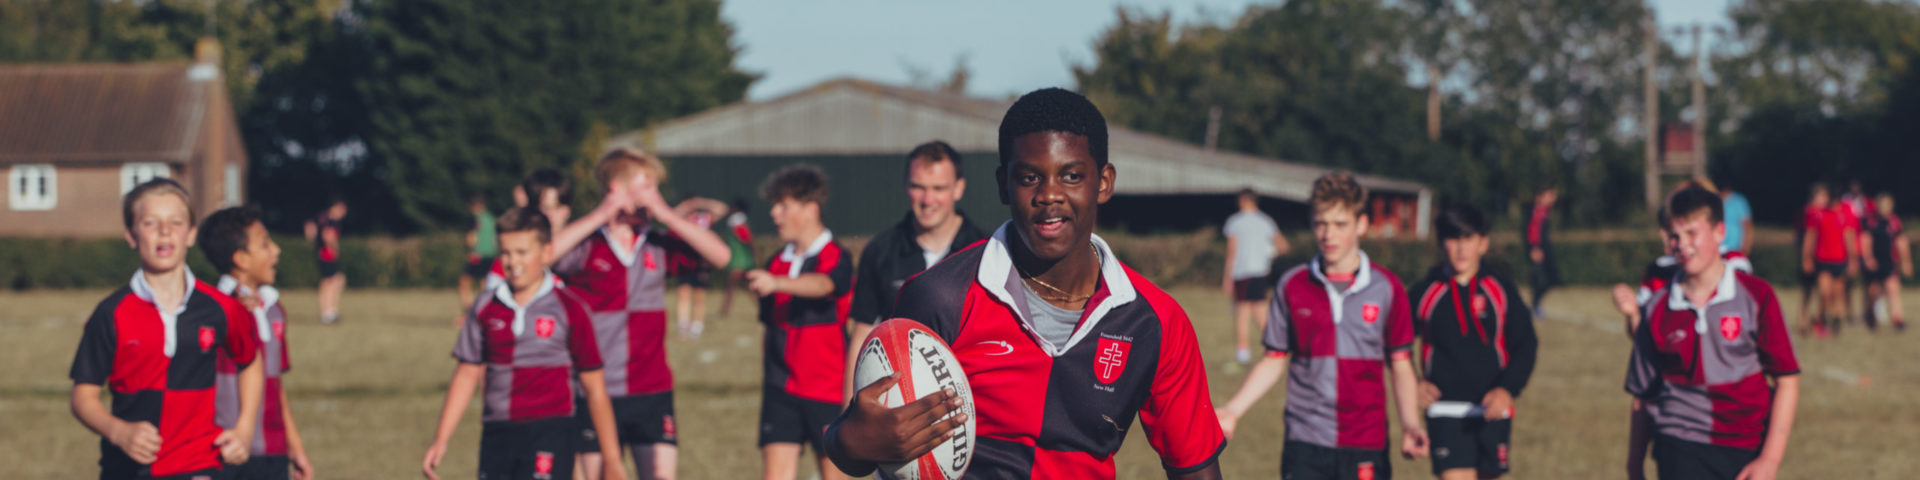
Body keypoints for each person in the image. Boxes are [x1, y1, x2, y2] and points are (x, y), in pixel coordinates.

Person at [824, 87, 1226, 479]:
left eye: (1071, 175)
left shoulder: (1155, 321)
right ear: (1003, 185)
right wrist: (855, 443)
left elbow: (1195, 467)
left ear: (1103, 182)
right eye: (1030, 178)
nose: (1050, 195)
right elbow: (858, 444)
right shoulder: (941, 296)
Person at [1215, 171, 1427, 480]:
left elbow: (1401, 364)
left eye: (1340, 224)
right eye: (1321, 223)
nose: (1329, 235)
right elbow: (1274, 360)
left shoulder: (1388, 288)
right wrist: (1233, 410)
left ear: (1362, 225)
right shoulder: (1292, 285)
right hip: (1305, 439)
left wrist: (1410, 424)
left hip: (1365, 440)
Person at [551, 149, 733, 480]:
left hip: (651, 390)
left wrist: (666, 212)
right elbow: (544, 255)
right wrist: (602, 212)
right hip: (595, 391)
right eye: (645, 185)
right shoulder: (588, 245)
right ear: (617, 189)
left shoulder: (657, 245)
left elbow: (721, 256)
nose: (653, 193)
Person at [70, 178, 264, 479]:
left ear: (190, 234)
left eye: (176, 222)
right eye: (150, 223)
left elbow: (250, 363)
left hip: (199, 465)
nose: (164, 231)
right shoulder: (111, 313)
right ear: (131, 235)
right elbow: (82, 395)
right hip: (126, 469)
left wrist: (245, 428)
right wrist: (118, 431)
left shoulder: (220, 308)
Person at [422, 207, 627, 480]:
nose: (512, 262)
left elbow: (595, 388)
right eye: (505, 253)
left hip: (551, 431)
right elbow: (467, 373)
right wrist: (441, 439)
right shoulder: (485, 306)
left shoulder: (570, 309)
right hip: (497, 433)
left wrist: (612, 460)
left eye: (522, 252)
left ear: (546, 252)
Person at [1625, 186, 1800, 480]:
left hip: (1745, 445)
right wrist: (1634, 467)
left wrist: (1770, 459)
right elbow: (1642, 396)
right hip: (1678, 441)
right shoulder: (1658, 307)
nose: (1682, 244)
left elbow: (1786, 380)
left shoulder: (1756, 296)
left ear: (1720, 232)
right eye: (1673, 235)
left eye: (1692, 233)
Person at [744, 164, 856, 480]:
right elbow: (769, 328)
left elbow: (826, 285)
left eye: (783, 205)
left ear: (810, 209)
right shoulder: (776, 262)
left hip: (827, 390)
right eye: (774, 206)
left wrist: (778, 284)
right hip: (780, 390)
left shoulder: (835, 256)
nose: (775, 214)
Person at [1410, 204, 1537, 480]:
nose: (1461, 248)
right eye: (1453, 239)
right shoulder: (1426, 292)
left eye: (1468, 239)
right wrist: (1414, 383)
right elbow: (1396, 342)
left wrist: (1507, 390)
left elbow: (1526, 344)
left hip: (1492, 410)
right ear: (1441, 243)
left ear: (1483, 243)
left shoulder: (1500, 289)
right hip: (1445, 410)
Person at [849, 140, 989, 380]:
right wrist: (850, 412)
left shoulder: (985, 253)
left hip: (968, 394)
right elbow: (862, 334)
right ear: (905, 186)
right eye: (918, 187)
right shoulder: (880, 251)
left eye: (939, 188)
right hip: (898, 393)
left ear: (958, 188)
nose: (927, 199)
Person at [201, 206, 315, 480]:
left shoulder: (274, 310)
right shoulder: (209, 312)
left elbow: (276, 386)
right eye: (265, 244)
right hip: (222, 450)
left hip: (272, 453)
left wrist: (294, 447)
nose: (276, 250)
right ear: (240, 258)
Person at [1222, 187, 1289, 364]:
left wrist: (1227, 277)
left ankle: (1243, 355)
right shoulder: (1266, 221)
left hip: (1242, 271)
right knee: (1260, 311)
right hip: (1260, 272)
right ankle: (1277, 346)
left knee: (1243, 312)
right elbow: (1283, 246)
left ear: (1243, 200)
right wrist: (1267, 254)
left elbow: (1231, 251)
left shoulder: (1235, 222)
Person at [1801, 183, 1857, 337]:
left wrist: (1853, 259)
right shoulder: (1818, 214)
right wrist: (1807, 258)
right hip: (1822, 260)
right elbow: (1810, 236)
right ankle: (1821, 318)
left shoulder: (1845, 214)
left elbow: (1849, 237)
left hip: (1840, 260)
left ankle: (1835, 320)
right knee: (1825, 292)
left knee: (1837, 294)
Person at [668, 195, 726, 339]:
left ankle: (697, 326)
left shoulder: (704, 218)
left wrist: (702, 202)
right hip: (684, 260)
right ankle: (683, 326)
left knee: (699, 295)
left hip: (700, 262)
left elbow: (723, 209)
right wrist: (687, 206)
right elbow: (669, 216)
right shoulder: (681, 219)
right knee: (683, 292)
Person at [1860, 193, 1911, 331]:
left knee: (1893, 289)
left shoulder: (1894, 221)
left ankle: (1897, 319)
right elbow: (1865, 240)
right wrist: (1868, 258)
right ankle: (1869, 315)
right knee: (1873, 291)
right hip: (1875, 261)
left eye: (1888, 205)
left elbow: (1901, 241)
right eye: (1883, 205)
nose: (1885, 208)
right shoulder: (1870, 221)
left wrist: (1905, 262)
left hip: (1889, 261)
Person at [304, 197, 347, 324]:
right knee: (331, 282)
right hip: (327, 254)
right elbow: (328, 235)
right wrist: (334, 247)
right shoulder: (330, 220)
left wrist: (315, 243)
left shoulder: (321, 218)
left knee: (335, 280)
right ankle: (328, 312)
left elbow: (309, 228)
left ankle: (329, 311)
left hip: (323, 253)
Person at [458, 195, 500, 327]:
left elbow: (471, 238)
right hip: (491, 255)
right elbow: (495, 239)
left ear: (475, 206)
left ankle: (468, 314)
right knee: (485, 285)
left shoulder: (476, 219)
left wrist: (471, 249)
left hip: (478, 255)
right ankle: (485, 314)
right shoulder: (492, 219)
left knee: (464, 282)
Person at [718, 197, 757, 316]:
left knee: (731, 285)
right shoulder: (738, 220)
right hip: (743, 257)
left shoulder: (737, 220)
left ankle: (724, 310)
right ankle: (725, 310)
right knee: (748, 286)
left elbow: (746, 237)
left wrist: (751, 250)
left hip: (740, 259)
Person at [1523, 187, 1558, 319]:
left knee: (1552, 279)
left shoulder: (1545, 212)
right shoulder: (1535, 212)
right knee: (1538, 280)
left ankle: (1535, 304)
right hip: (1537, 251)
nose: (1553, 199)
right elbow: (1531, 232)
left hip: (1545, 250)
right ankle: (1535, 306)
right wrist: (1534, 248)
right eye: (1550, 195)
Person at [1721, 185, 1754, 254]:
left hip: (1735, 249)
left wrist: (1746, 248)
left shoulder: (1739, 201)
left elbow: (1747, 225)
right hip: (1716, 249)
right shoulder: (1713, 199)